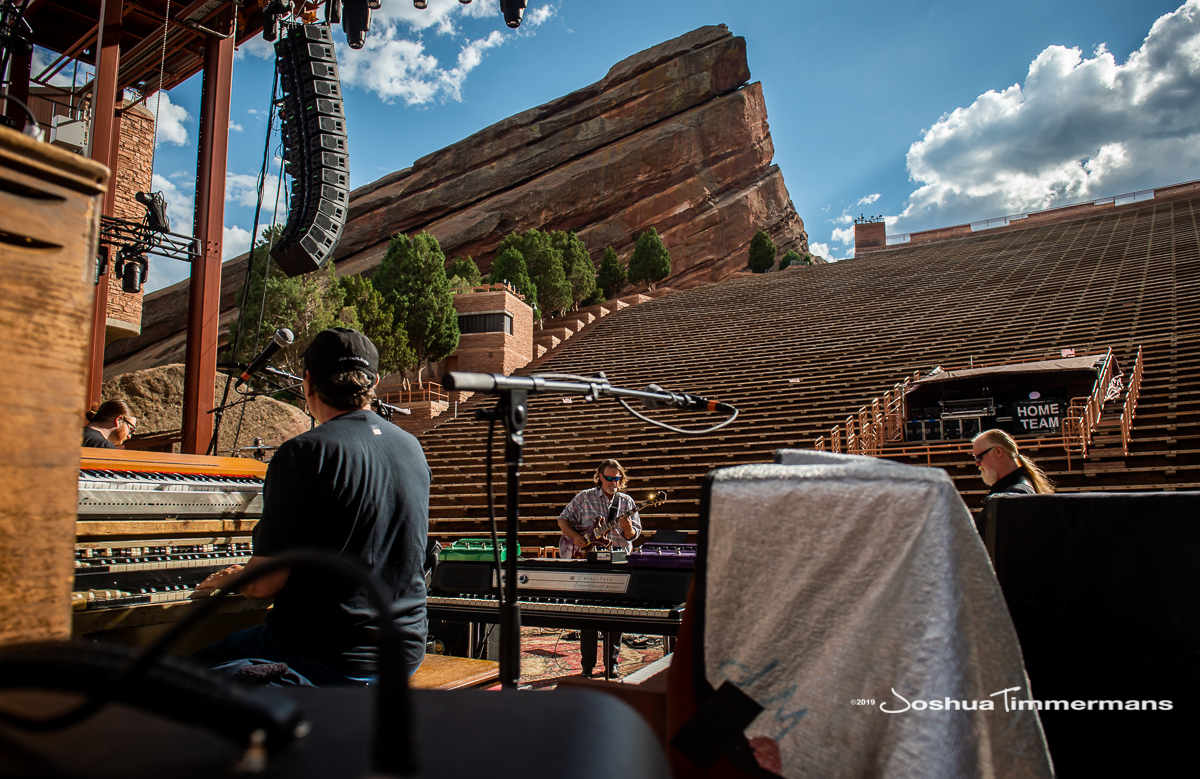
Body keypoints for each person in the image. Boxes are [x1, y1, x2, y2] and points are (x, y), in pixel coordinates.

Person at [193, 328, 430, 685]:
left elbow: (263, 586)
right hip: (406, 651)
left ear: (307, 382)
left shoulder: (304, 452)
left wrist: (234, 576)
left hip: (328, 655)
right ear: (375, 382)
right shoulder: (412, 447)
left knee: (177, 675)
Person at [558, 458, 641, 678]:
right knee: (588, 614)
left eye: (617, 478)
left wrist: (627, 529)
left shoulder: (627, 502)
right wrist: (575, 537)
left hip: (619, 562)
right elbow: (562, 520)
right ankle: (587, 665)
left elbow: (634, 535)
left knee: (615, 615)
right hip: (590, 562)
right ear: (600, 477)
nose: (614, 482)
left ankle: (611, 663)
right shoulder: (584, 498)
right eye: (609, 478)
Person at [972, 428, 1054, 495]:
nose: (977, 464)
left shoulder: (1016, 493)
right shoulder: (1015, 488)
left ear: (998, 451)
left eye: (979, 458)